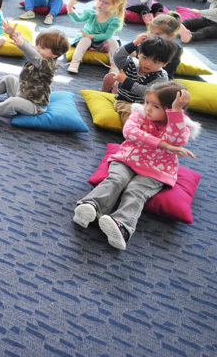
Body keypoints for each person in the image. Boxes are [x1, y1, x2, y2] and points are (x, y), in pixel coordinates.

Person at [73, 81, 198, 251]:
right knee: (116, 179)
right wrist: (163, 145)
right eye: (147, 102)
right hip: (128, 158)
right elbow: (129, 132)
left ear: (169, 109)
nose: (147, 108)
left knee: (136, 190)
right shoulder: (139, 113)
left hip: (157, 169)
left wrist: (176, 111)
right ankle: (90, 207)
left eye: (155, 107)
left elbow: (177, 140)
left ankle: (121, 226)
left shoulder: (179, 122)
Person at [0, 25, 70, 117]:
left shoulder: (49, 65)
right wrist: (13, 34)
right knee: (9, 79)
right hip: (22, 92)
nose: (37, 49)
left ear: (55, 55)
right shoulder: (41, 55)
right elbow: (29, 46)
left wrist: (22, 45)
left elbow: (34, 55)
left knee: (13, 102)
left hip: (34, 104)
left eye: (42, 47)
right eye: (37, 45)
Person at [107, 36, 180, 127]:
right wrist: (134, 43)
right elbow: (117, 56)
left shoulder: (161, 76)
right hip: (125, 102)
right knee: (130, 117)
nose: (148, 63)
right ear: (139, 54)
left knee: (162, 119)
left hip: (148, 105)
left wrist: (126, 81)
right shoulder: (131, 63)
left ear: (164, 64)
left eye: (155, 62)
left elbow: (148, 93)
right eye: (145, 58)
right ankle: (134, 135)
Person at [105, 13, 183, 92]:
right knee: (125, 56)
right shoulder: (148, 42)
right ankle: (115, 74)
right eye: (151, 32)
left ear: (171, 35)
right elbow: (137, 56)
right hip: (139, 71)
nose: (153, 36)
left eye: (158, 34)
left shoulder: (176, 50)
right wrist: (134, 46)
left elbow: (168, 71)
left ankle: (119, 81)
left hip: (156, 76)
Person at [64, 0, 128, 74]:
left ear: (115, 6)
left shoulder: (115, 20)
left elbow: (107, 35)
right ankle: (75, 63)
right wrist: (69, 9)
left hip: (101, 43)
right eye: (100, 0)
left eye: (106, 3)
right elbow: (78, 19)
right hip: (85, 39)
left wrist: (91, 36)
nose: (101, 4)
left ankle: (114, 67)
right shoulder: (90, 13)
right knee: (85, 40)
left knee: (113, 42)